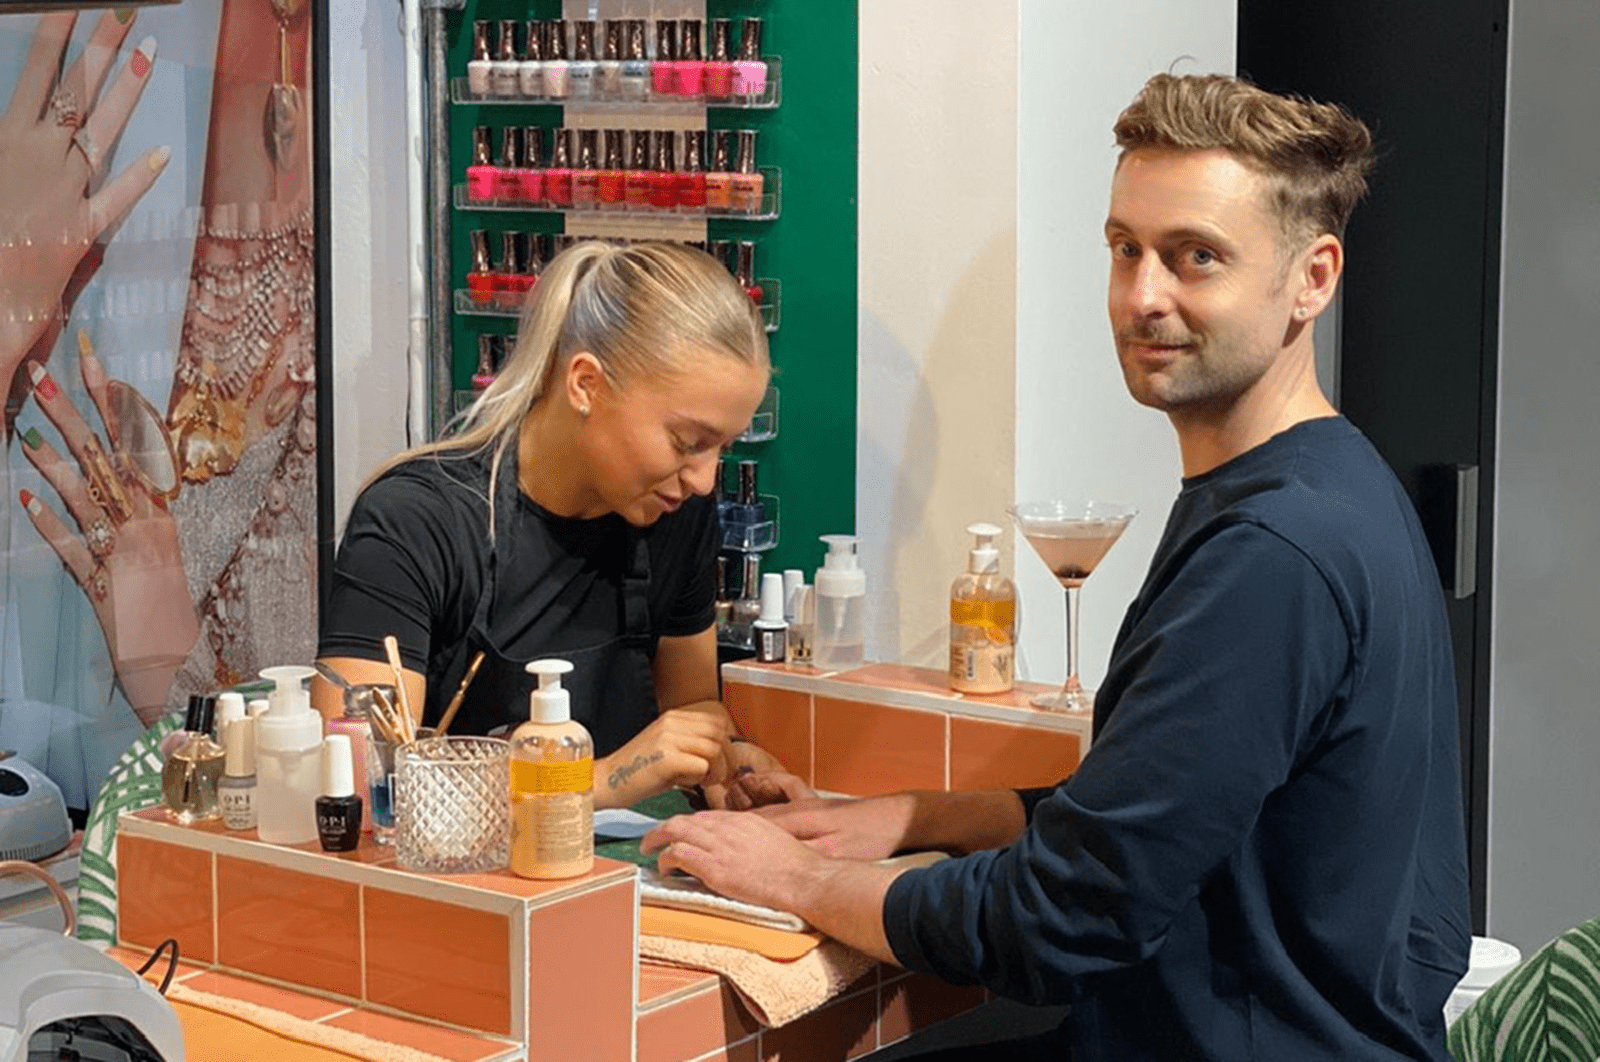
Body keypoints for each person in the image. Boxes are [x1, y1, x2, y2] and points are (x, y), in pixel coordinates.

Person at [643, 73, 1473, 1060]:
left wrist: (794, 879)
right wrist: (915, 815)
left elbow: (1063, 920)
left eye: (1194, 258)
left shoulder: (1272, 555)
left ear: (1313, 279)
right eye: (1125, 249)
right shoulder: (1326, 486)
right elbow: (1158, 821)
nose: (1141, 295)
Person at [317, 240, 786, 810]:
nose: (706, 480)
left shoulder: (676, 518)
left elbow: (691, 709)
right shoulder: (415, 524)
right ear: (585, 383)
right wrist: (604, 779)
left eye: (723, 449)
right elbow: (361, 788)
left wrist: (723, 764)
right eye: (688, 443)